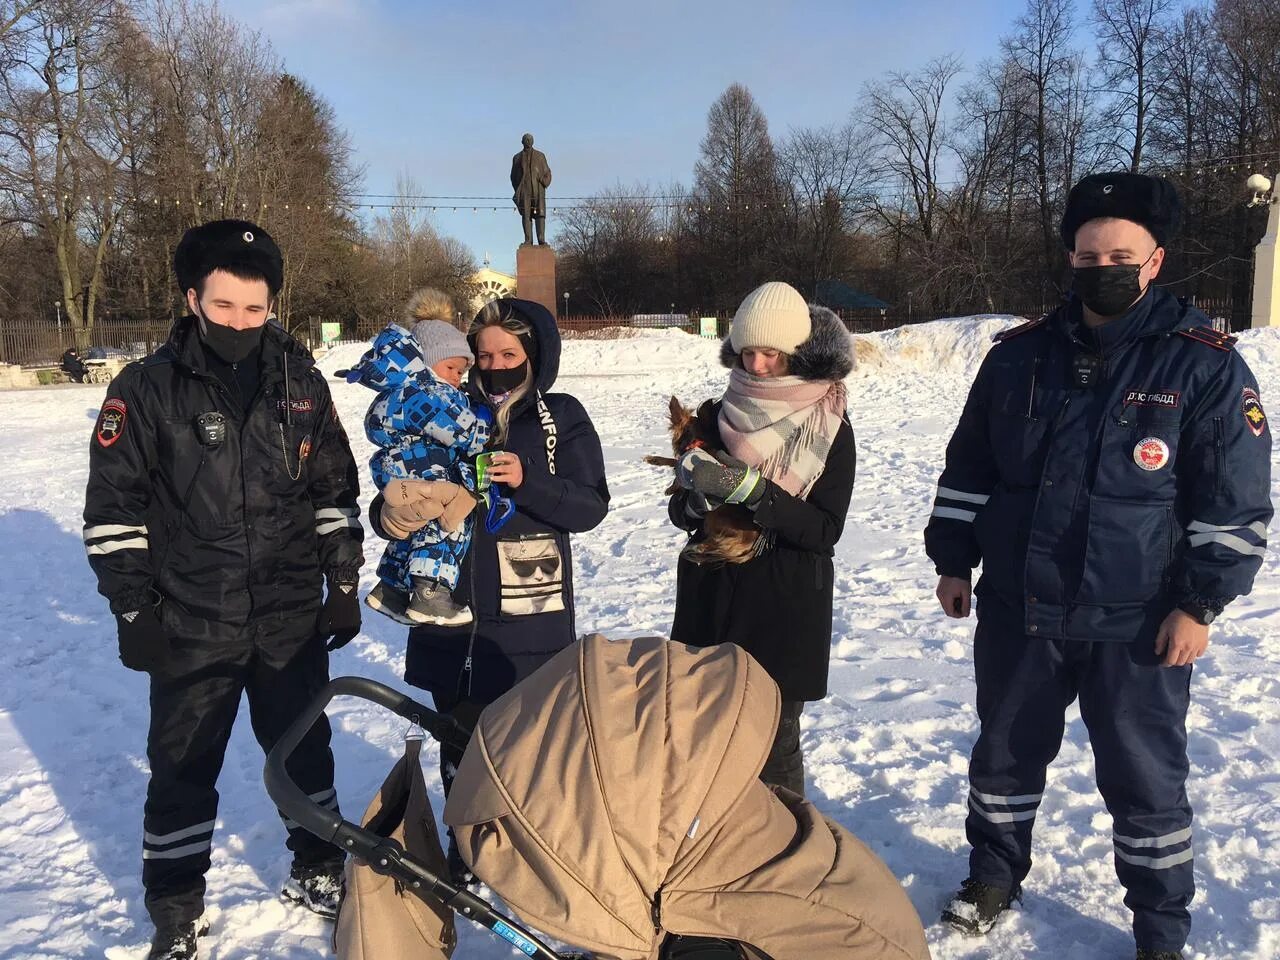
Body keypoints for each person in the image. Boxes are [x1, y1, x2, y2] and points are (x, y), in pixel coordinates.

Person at [924, 174, 1271, 960]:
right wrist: (953, 560)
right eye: (1088, 254)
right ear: (1070, 259)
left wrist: (1199, 605)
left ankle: (1158, 926)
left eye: (1121, 254)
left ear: (1155, 262)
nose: (1103, 266)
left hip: (1140, 624)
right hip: (1021, 609)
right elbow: (970, 469)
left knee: (1146, 784)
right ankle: (993, 873)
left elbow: (1235, 504)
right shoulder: (1018, 359)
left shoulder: (1204, 367)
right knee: (1005, 758)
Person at [82, 219, 364, 960]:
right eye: (224, 305)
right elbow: (113, 511)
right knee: (182, 767)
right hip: (191, 621)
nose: (240, 321)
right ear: (192, 298)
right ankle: (176, 908)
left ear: (272, 305)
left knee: (306, 754)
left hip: (288, 616)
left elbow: (334, 488)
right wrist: (135, 606)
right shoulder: (143, 389)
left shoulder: (300, 384)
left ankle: (319, 866)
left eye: (255, 308)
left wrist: (340, 580)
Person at [369, 296, 609, 878]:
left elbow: (590, 505)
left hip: (530, 615)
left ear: (536, 355)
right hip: (450, 611)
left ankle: (530, 844)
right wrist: (389, 516)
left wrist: (529, 483)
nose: (494, 365)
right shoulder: (444, 407)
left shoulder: (561, 417)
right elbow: (398, 486)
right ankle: (468, 846)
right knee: (460, 738)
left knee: (532, 742)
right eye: (483, 354)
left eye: (509, 353)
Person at [667, 281, 856, 798]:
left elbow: (824, 530)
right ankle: (711, 851)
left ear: (794, 352)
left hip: (782, 602)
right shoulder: (715, 414)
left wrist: (755, 492)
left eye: (770, 353)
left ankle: (783, 859)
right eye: (747, 351)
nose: (756, 365)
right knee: (705, 737)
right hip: (712, 595)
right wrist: (698, 500)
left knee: (772, 742)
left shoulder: (828, 424)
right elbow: (679, 510)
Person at [345, 289, 491, 626]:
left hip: (404, 469)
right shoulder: (432, 392)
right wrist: (488, 431)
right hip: (427, 471)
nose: (458, 377)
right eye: (453, 367)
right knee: (445, 527)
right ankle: (431, 592)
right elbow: (466, 432)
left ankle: (392, 590)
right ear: (428, 363)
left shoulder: (400, 392)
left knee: (411, 532)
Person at [510, 133, 552, 246]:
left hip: (538, 189)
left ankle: (541, 238)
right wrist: (518, 189)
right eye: (526, 139)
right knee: (526, 214)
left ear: (533, 141)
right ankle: (528, 239)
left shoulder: (540, 156)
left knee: (540, 214)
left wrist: (543, 181)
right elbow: (513, 177)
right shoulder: (517, 157)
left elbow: (548, 172)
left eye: (530, 139)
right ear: (522, 141)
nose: (528, 141)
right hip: (525, 190)